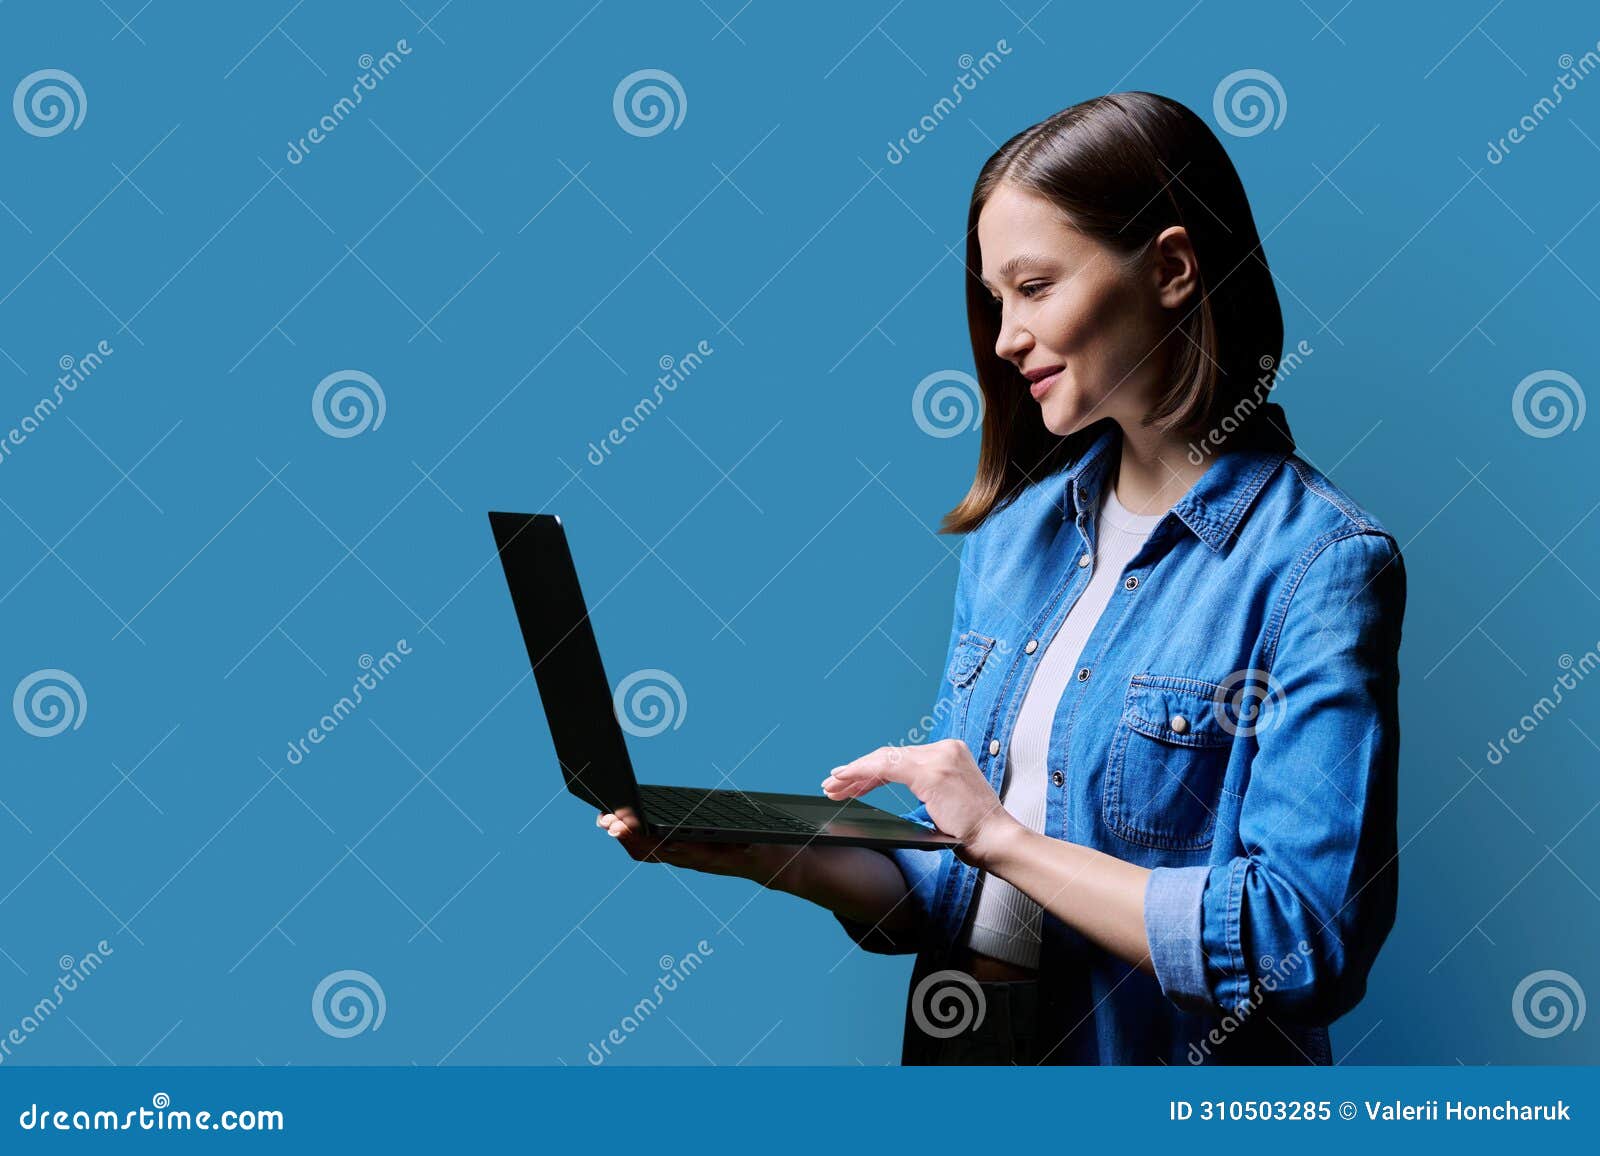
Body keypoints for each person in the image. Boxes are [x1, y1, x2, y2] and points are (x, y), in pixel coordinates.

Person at [596, 91, 1406, 1065]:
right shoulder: (1013, 541)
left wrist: (1001, 838)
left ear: (1172, 268)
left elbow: (1300, 941)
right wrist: (758, 848)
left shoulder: (1318, 565)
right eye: (993, 299)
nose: (1004, 336)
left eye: (1033, 286)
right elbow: (948, 890)